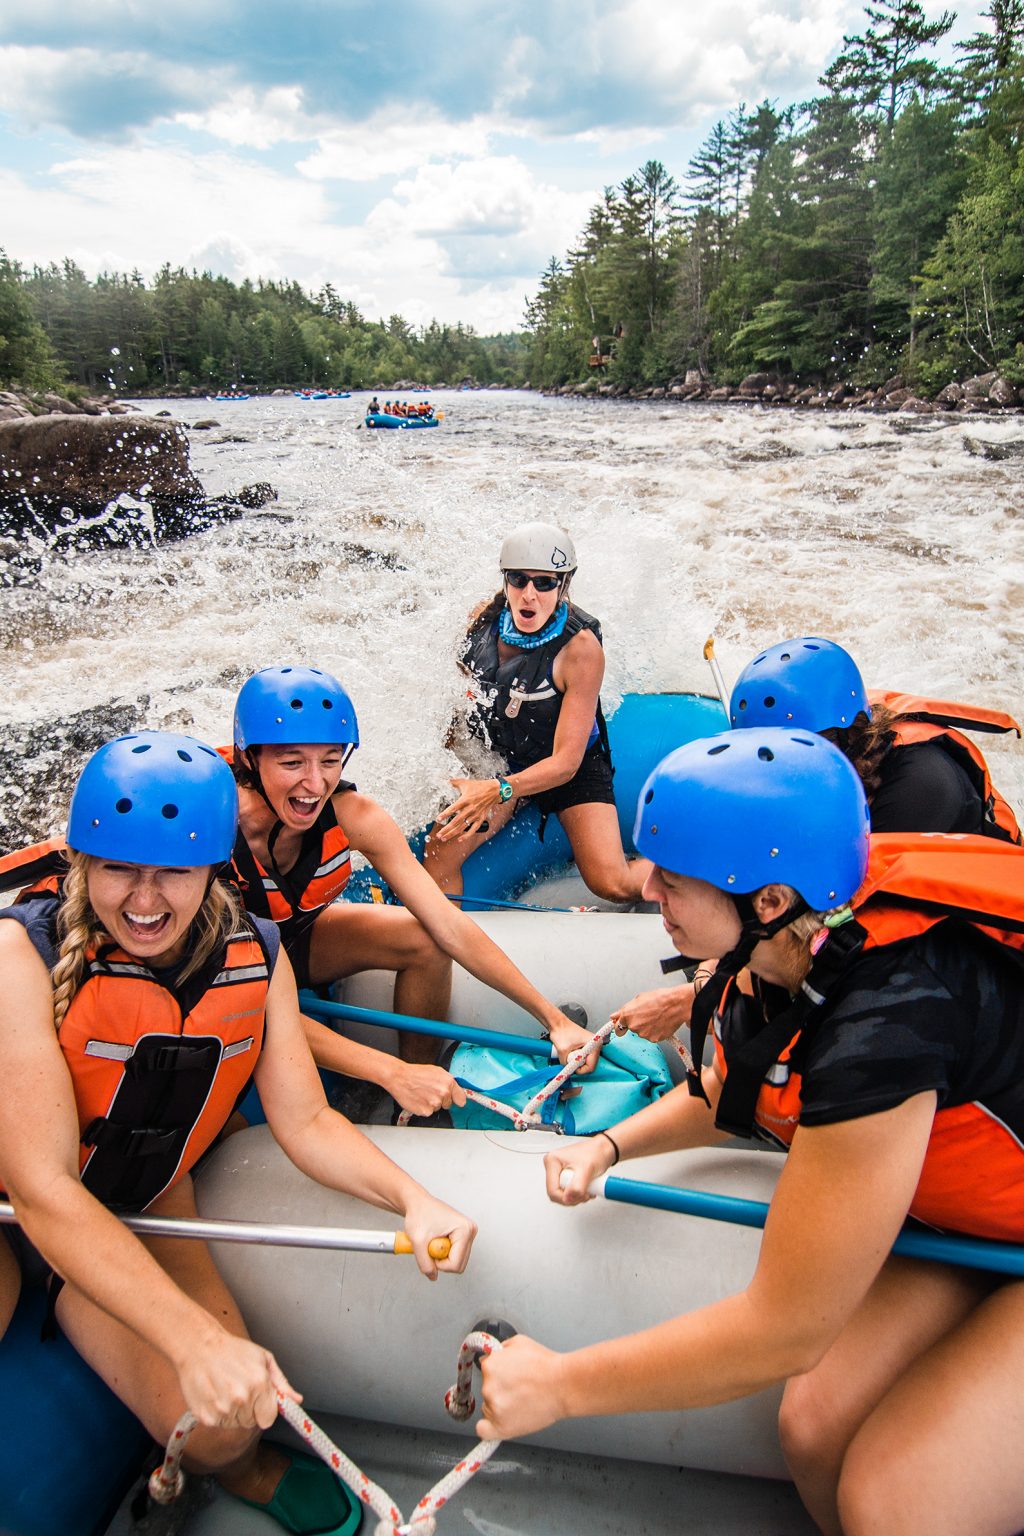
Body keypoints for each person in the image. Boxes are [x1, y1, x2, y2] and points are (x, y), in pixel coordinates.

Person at [476, 728, 1024, 1535]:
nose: (646, 890)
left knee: (897, 1504)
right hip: (974, 1221)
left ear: (767, 900)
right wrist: (611, 1144)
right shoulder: (789, 951)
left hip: (993, 1229)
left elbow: (785, 1330)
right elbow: (740, 1089)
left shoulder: (891, 1018)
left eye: (671, 880)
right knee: (812, 1427)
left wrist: (560, 1385)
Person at [0, 731, 476, 1536]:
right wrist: (190, 1338)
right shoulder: (23, 951)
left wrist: (413, 1199)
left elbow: (307, 1120)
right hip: (22, 1200)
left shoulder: (256, 954)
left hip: (152, 1190)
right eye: (118, 868)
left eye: (174, 872)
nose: (144, 901)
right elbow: (44, 1187)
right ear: (83, 864)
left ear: (211, 868)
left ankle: (249, 1468)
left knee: (226, 1424)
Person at [613, 634, 1022, 1043]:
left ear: (844, 735)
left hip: (957, 948)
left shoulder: (923, 793)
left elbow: (827, 926)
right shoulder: (830, 748)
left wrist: (695, 994)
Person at [228, 666, 594, 1093]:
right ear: (250, 758)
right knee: (262, 984)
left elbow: (449, 924)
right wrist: (388, 1073)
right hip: (232, 971)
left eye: (330, 760)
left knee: (426, 938)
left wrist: (554, 1020)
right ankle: (403, 1081)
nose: (315, 783)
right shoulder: (207, 825)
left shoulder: (356, 816)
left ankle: (418, 1092)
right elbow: (258, 1005)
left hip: (295, 942)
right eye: (292, 763)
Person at [425, 522, 650, 904]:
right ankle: (442, 952)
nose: (529, 595)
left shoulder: (581, 650)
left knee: (612, 884)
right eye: (518, 580)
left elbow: (566, 761)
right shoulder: (482, 619)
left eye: (545, 583)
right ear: (505, 579)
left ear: (564, 585)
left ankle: (689, 871)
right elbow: (459, 698)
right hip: (504, 759)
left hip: (567, 768)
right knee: (439, 849)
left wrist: (499, 790)